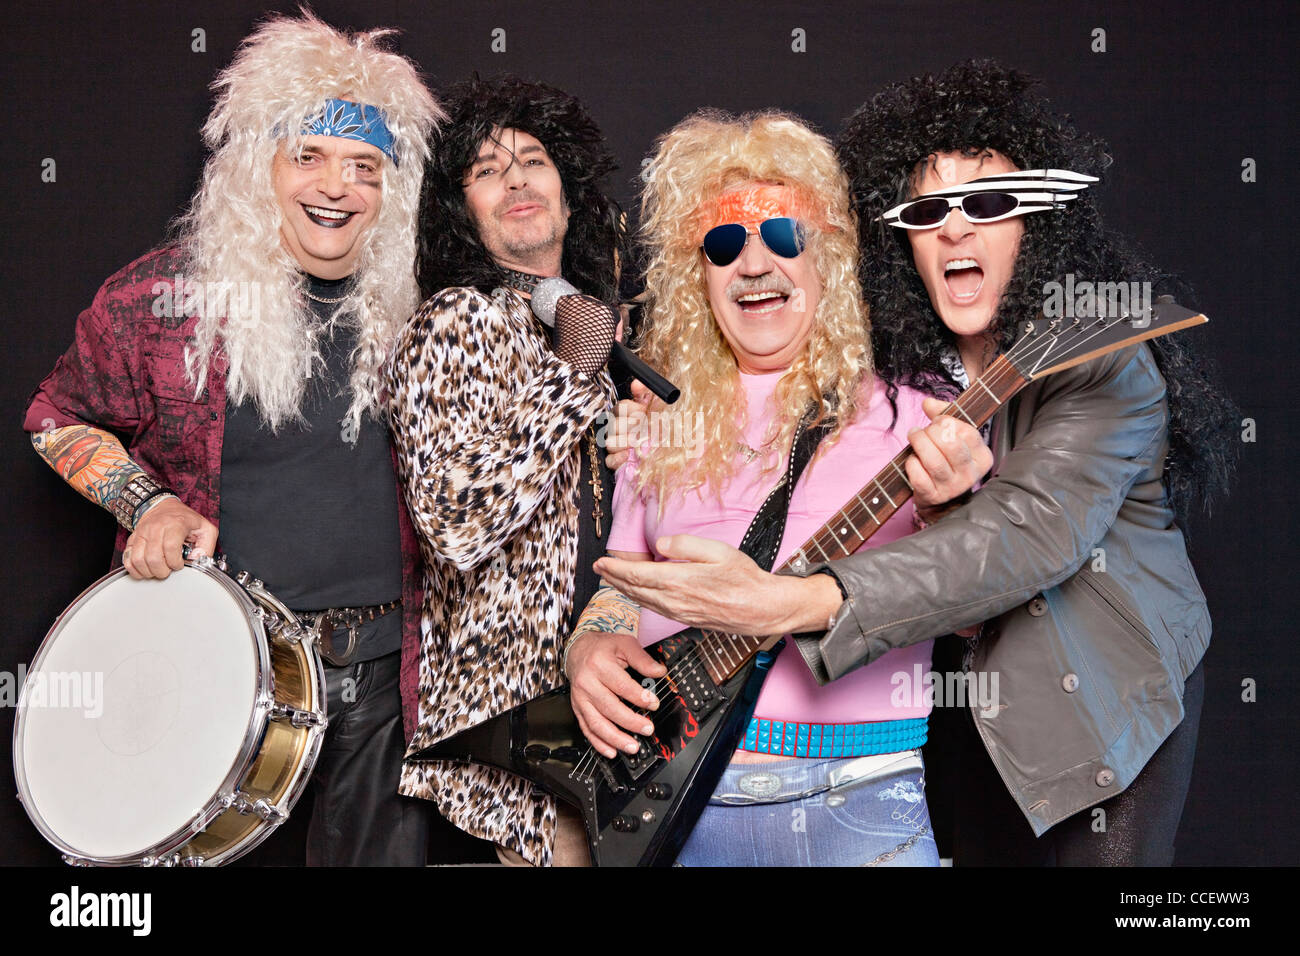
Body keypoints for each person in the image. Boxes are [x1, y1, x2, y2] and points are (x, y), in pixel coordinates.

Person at [595, 61, 1237, 865]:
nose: (956, 230)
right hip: (958, 714)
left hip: (1097, 700)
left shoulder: (1099, 360)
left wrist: (783, 604)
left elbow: (1020, 540)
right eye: (930, 210)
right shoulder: (901, 369)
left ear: (1039, 225)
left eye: (990, 204)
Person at [24, 12, 444, 866]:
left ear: (392, 187)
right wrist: (148, 500)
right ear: (260, 164)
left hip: (394, 675)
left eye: (365, 166)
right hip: (216, 672)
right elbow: (53, 416)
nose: (337, 186)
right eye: (310, 156)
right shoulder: (162, 300)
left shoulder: (432, 310)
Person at [566, 110, 990, 866]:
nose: (754, 264)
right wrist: (592, 647)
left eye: (783, 238)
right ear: (699, 275)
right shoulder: (660, 420)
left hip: (861, 799)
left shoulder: (920, 406)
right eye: (724, 244)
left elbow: (977, 617)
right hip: (678, 807)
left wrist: (951, 508)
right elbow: (621, 584)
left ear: (826, 255)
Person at [386, 76, 624, 866]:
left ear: (567, 191)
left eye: (533, 161)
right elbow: (455, 525)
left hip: (610, 706)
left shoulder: (581, 324)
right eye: (488, 170)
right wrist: (574, 376)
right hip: (520, 729)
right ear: (465, 210)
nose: (517, 178)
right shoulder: (456, 321)